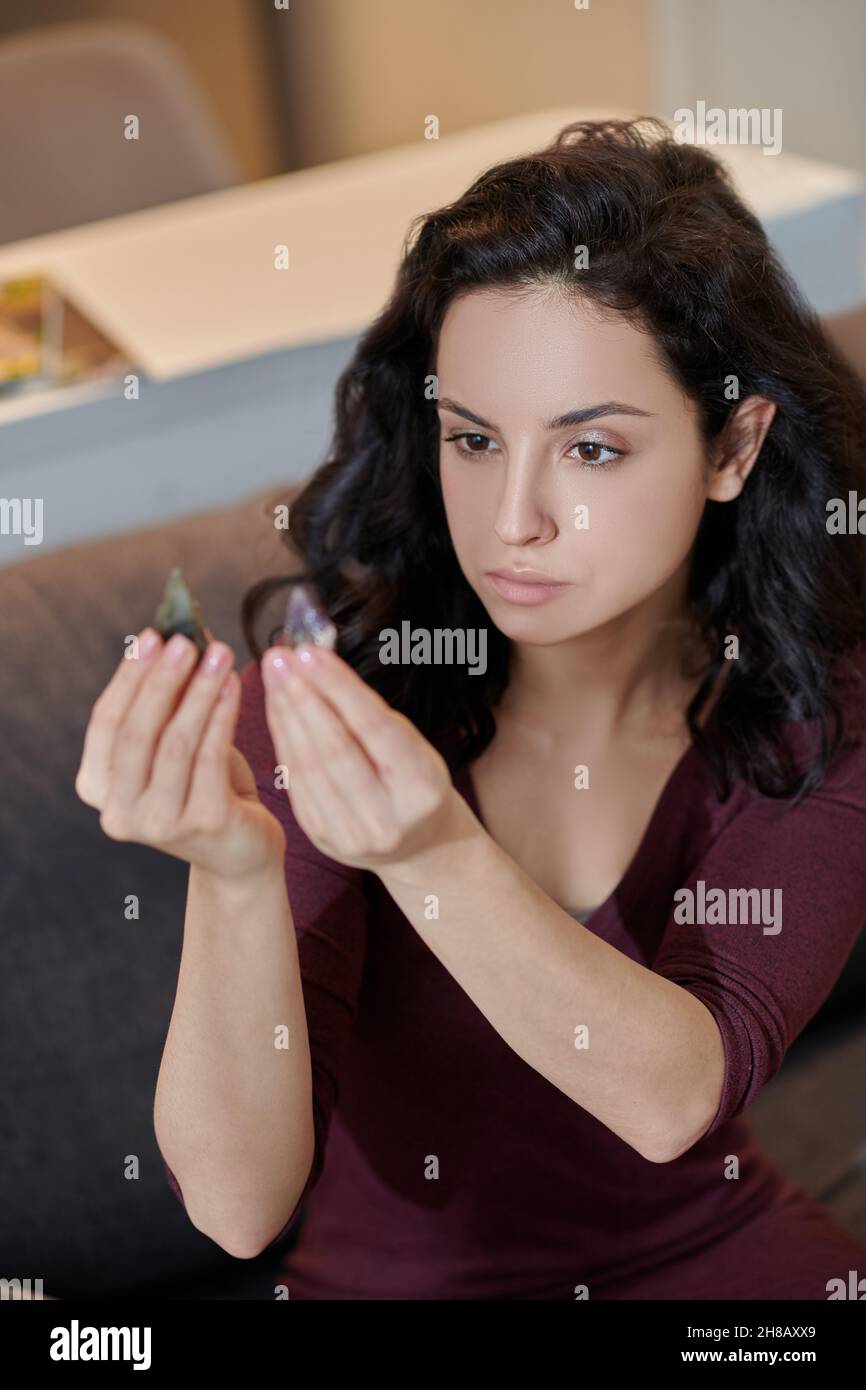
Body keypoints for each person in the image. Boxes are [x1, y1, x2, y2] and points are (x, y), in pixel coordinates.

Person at [77, 116, 866, 1299]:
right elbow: (238, 1213)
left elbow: (668, 1098)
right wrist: (232, 876)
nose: (512, 520)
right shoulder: (329, 698)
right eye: (473, 439)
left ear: (731, 444)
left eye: (591, 450)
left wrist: (429, 848)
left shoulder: (812, 697)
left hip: (712, 1262)